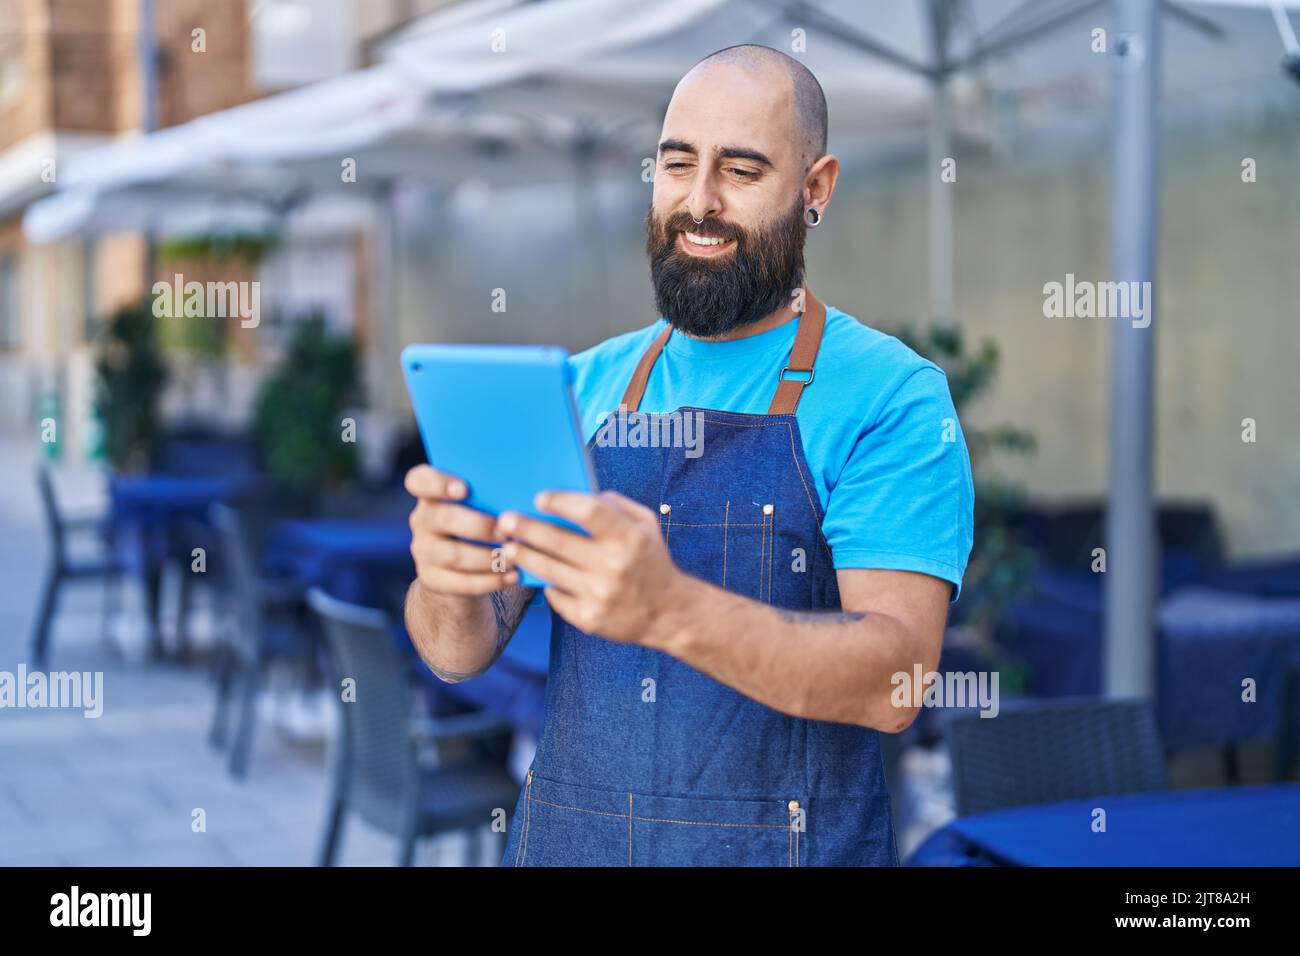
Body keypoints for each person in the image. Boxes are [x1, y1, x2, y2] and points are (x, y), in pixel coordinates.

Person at [403, 44, 974, 866]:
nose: (697, 203)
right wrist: (446, 576)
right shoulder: (583, 384)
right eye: (677, 164)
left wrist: (670, 609)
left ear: (815, 189)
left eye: (740, 172)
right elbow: (458, 651)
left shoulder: (892, 398)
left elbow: (897, 685)